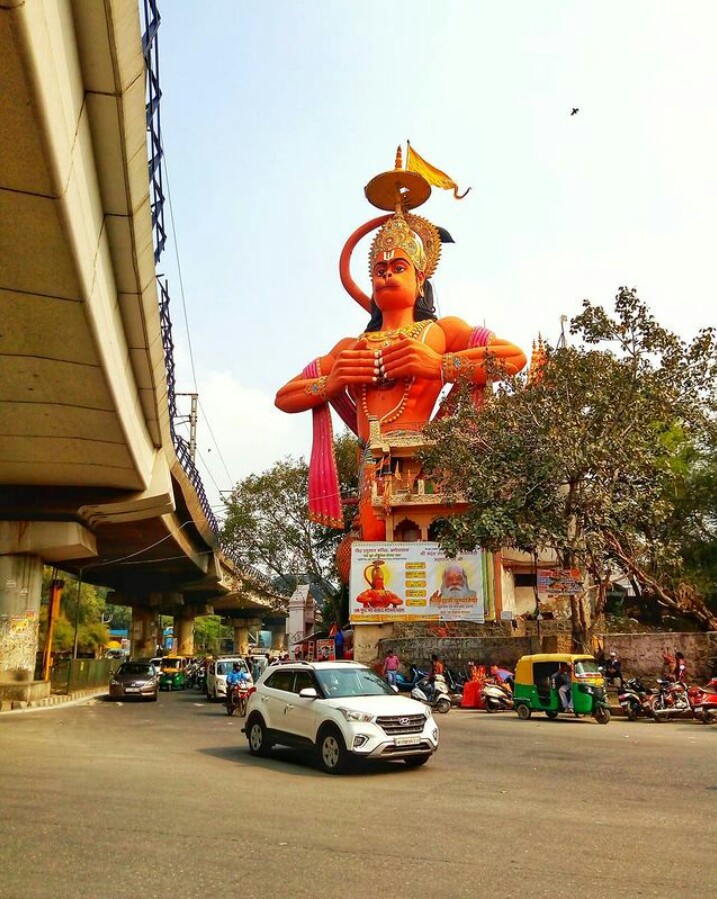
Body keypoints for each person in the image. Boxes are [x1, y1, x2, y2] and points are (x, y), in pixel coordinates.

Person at [275, 150, 526, 540]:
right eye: (379, 270)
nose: (386, 276)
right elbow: (285, 396)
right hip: (372, 464)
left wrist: (438, 366)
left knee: (431, 550)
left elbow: (513, 357)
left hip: (428, 458)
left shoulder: (440, 333)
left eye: (398, 268)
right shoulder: (352, 347)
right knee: (371, 546)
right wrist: (331, 382)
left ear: (420, 280)